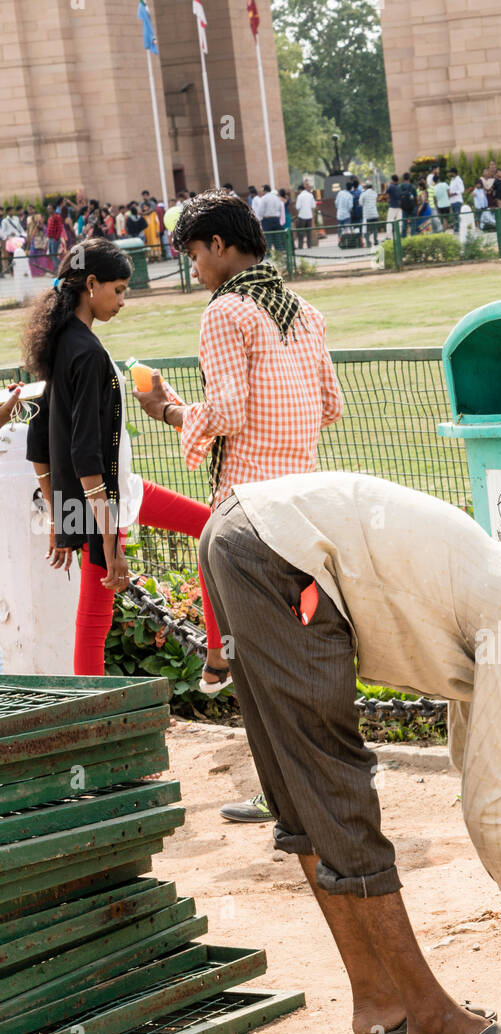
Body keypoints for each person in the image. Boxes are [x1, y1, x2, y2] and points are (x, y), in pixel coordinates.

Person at [197, 468, 501, 1034]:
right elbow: (483, 797)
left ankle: (380, 1006)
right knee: (338, 791)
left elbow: (480, 761)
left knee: (303, 791)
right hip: (283, 559)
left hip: (244, 536)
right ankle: (433, 1022)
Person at [133, 191, 343, 821]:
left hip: (247, 511)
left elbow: (226, 412)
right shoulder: (303, 310)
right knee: (303, 652)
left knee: (259, 663)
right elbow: (330, 405)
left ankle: (284, 792)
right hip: (302, 503)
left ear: (219, 247)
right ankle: (324, 781)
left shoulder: (226, 311)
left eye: (195, 254)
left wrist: (168, 410)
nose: (195, 269)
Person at [22, 240, 228, 688]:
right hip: (103, 498)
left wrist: (61, 514)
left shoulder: (59, 344)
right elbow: (86, 452)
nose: (122, 301)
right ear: (90, 285)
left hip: (109, 492)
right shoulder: (88, 353)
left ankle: (216, 656)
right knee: (94, 615)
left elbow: (39, 438)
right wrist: (110, 542)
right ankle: (94, 713)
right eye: (118, 290)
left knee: (211, 528)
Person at [295, 182, 316, 248]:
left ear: (300, 190)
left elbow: (298, 207)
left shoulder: (299, 196)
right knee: (308, 232)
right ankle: (309, 245)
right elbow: (313, 206)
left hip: (301, 216)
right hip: (309, 216)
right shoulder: (310, 195)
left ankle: (300, 246)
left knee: (301, 232)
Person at [360, 181, 379, 246]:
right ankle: (375, 241)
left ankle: (368, 242)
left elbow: (360, 203)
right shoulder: (375, 193)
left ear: (365, 187)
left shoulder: (363, 194)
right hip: (375, 213)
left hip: (367, 214)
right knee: (375, 228)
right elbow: (376, 201)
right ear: (372, 186)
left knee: (367, 229)